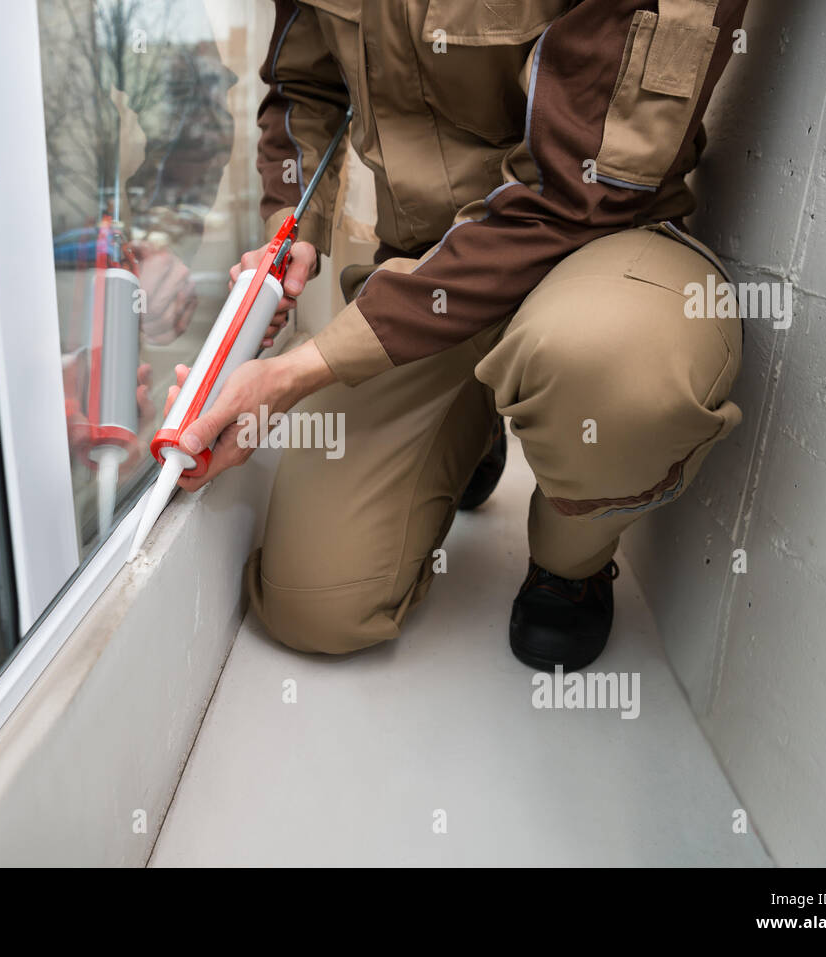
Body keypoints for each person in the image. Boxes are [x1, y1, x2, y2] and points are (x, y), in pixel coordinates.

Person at [168, 0, 748, 670]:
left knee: (613, 367)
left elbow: (576, 188)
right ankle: (471, 428)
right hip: (424, 269)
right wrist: (289, 228)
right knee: (313, 604)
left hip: (597, 244)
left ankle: (570, 563)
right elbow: (305, 83)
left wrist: (296, 372)